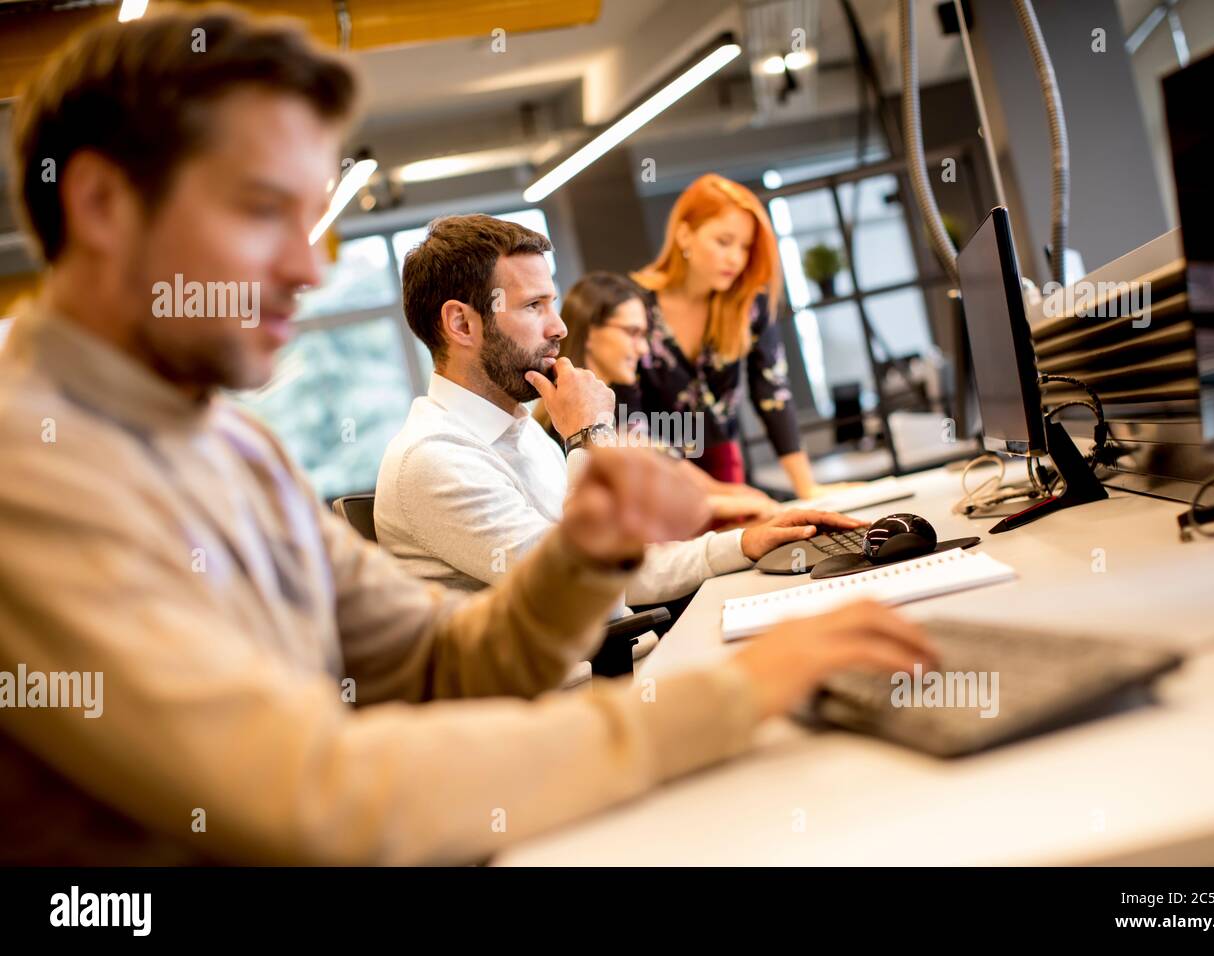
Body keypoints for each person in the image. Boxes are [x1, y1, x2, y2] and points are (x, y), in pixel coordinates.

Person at [0, 7, 934, 866]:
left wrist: (588, 552)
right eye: (260, 211)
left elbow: (444, 663)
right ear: (102, 206)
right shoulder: (30, 469)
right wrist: (728, 697)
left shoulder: (232, 450)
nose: (305, 272)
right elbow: (310, 790)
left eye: (308, 218)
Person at [374, 217, 861, 604]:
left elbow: (624, 571)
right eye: (534, 306)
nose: (560, 326)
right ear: (461, 322)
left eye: (554, 303)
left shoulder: (518, 434)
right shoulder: (434, 461)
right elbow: (590, 591)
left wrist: (742, 544)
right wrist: (587, 436)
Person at [626, 173, 867, 499]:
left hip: (725, 467)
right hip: (654, 479)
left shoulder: (749, 306)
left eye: (745, 247)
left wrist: (806, 487)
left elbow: (772, 393)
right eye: (724, 242)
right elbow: (627, 422)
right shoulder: (632, 308)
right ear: (684, 235)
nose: (736, 259)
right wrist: (713, 495)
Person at [535, 270, 779, 527]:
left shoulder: (622, 402)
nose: (643, 349)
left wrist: (737, 495)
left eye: (645, 335)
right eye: (632, 332)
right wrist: (730, 503)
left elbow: (666, 466)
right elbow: (636, 508)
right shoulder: (566, 421)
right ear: (590, 332)